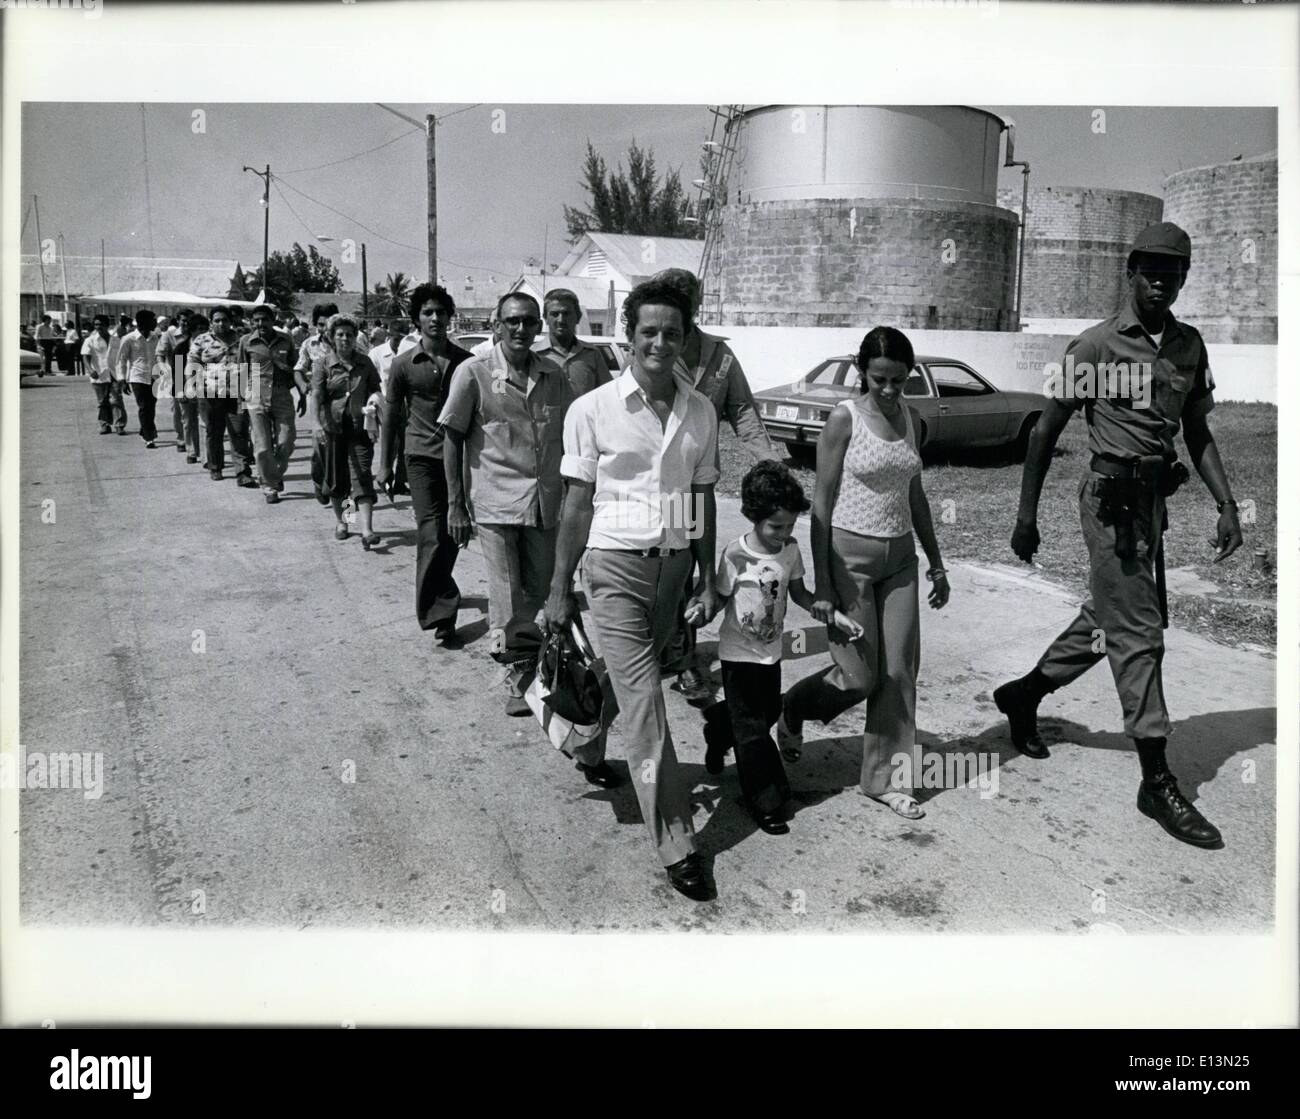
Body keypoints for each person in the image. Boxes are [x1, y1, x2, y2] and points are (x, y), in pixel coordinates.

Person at [995, 222, 1241, 850]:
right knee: (1139, 633)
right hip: (1108, 505)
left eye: (1173, 270)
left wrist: (1227, 504)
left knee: (1108, 618)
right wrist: (1027, 516)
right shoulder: (1097, 348)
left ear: (1185, 277)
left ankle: (1024, 695)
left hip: (1151, 505)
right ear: (1130, 272)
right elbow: (1044, 433)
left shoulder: (1188, 346)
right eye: (1150, 269)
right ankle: (1154, 779)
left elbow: (1198, 431)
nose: (1161, 279)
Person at [542, 278, 721, 902]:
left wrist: (705, 575)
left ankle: (582, 737)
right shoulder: (590, 410)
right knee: (647, 701)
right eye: (649, 331)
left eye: (673, 332)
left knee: (634, 676)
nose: (660, 342)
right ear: (628, 335)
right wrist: (559, 589)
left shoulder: (701, 412)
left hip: (672, 570)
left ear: (685, 338)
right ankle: (677, 842)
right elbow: (576, 503)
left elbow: (700, 499)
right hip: (613, 567)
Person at [779, 326, 950, 821]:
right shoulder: (843, 419)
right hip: (847, 558)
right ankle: (793, 708)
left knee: (899, 673)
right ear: (862, 372)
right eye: (880, 379)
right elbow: (822, 502)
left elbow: (915, 496)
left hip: (899, 560)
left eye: (900, 379)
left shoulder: (912, 419)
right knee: (858, 676)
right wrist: (825, 585)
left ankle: (886, 781)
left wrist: (936, 562)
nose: (891, 390)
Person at [651, 268, 780, 704]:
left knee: (691, 565)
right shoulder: (655, 346)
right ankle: (668, 651)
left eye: (690, 297)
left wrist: (770, 462)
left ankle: (680, 655)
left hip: (696, 487)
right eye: (675, 296)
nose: (684, 303)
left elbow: (742, 410)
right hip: (657, 484)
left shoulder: (720, 356)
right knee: (665, 566)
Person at [440, 293, 573, 713]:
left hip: (544, 503)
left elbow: (572, 435)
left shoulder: (553, 375)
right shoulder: (473, 373)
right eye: (512, 321)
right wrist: (456, 504)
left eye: (530, 322)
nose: (521, 330)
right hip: (495, 504)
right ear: (497, 325)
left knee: (541, 589)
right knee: (505, 596)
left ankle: (533, 657)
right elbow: (452, 437)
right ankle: (514, 676)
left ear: (539, 328)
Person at [706, 461, 838, 835]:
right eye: (775, 526)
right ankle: (767, 801)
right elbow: (719, 596)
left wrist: (818, 605)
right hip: (736, 654)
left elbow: (797, 593)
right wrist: (700, 609)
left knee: (763, 716)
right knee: (752, 733)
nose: (783, 534)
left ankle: (717, 728)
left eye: (790, 526)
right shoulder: (736, 555)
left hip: (771, 652)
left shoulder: (790, 551)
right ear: (753, 516)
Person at [378, 285, 472, 640]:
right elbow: (391, 417)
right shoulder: (403, 366)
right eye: (428, 313)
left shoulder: (467, 363)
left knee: (452, 533)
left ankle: (440, 595)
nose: (435, 319)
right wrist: (384, 464)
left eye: (441, 312)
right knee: (431, 530)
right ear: (416, 319)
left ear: (450, 317)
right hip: (420, 457)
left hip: (459, 457)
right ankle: (441, 613)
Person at [311, 314, 382, 547]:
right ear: (331, 338)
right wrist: (317, 425)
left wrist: (374, 401)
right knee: (338, 479)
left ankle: (367, 530)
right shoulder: (323, 364)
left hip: (360, 429)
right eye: (340, 334)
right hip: (333, 429)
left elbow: (376, 390)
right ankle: (345, 522)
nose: (345, 339)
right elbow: (318, 396)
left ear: (355, 338)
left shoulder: (366, 363)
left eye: (349, 335)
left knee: (361, 475)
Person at [239, 303, 307, 505]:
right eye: (256, 320)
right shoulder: (246, 341)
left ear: (273, 320)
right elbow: (242, 369)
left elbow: (297, 368)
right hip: (256, 392)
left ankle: (275, 473)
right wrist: (241, 400)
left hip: (281, 393)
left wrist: (302, 395)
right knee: (262, 445)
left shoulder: (286, 340)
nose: (260, 324)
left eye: (264, 319)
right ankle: (269, 485)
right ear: (252, 322)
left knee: (286, 441)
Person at [186, 306, 257, 485]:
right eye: (217, 320)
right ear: (211, 322)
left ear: (230, 321)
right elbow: (191, 363)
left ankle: (242, 472)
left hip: (237, 393)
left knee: (240, 432)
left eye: (224, 320)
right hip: (210, 393)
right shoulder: (201, 340)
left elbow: (250, 364)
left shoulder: (241, 339)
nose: (221, 323)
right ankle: (215, 466)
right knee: (214, 431)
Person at [368, 315, 419, 498]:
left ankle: (400, 481)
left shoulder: (412, 351)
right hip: (385, 405)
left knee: (407, 444)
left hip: (407, 405)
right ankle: (385, 474)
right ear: (389, 335)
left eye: (404, 339)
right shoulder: (377, 353)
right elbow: (371, 381)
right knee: (391, 442)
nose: (400, 344)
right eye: (397, 339)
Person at [533, 288, 613, 397]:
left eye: (566, 313)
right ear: (546, 318)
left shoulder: (592, 354)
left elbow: (607, 394)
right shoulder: (532, 354)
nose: (561, 320)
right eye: (555, 314)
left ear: (578, 317)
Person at [156, 309, 200, 461]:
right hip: (177, 377)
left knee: (197, 418)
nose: (186, 324)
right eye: (184, 321)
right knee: (181, 413)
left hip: (200, 383)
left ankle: (197, 447)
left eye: (189, 321)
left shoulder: (203, 339)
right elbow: (160, 355)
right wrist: (164, 370)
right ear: (178, 321)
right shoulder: (171, 338)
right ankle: (183, 441)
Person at [116, 309, 161, 447]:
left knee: (151, 406)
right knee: (143, 406)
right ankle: (149, 436)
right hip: (137, 377)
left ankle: (144, 430)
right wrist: (122, 380)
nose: (155, 323)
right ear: (144, 322)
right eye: (153, 320)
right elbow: (121, 360)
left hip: (154, 377)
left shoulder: (156, 338)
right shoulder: (129, 339)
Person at [80, 314, 127, 434]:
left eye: (101, 324)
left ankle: (119, 424)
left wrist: (123, 374)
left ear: (107, 325)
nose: (98, 327)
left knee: (116, 400)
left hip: (114, 374)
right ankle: (104, 424)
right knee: (102, 402)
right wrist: (90, 371)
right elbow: (85, 356)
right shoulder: (90, 340)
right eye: (96, 324)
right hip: (99, 374)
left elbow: (121, 358)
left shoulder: (115, 340)